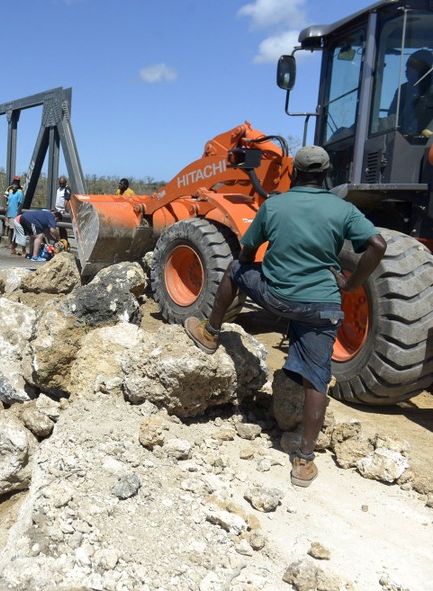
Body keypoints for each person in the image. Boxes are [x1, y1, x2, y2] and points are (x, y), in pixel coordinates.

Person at [183, 146, 386, 489]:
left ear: (293, 173)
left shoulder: (274, 205)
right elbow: (378, 245)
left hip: (276, 298)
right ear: (326, 175)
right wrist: (351, 284)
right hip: (321, 305)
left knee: (233, 269)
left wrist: (252, 263)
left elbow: (247, 252)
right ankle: (304, 461)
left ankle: (210, 332)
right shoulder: (344, 209)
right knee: (317, 379)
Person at [387, 49, 433, 135]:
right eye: (407, 67)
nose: (406, 71)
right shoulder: (403, 90)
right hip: (401, 138)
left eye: (411, 67)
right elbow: (392, 116)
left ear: (424, 68)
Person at [6, 176, 24, 255]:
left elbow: (20, 205)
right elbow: (8, 204)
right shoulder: (10, 193)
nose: (15, 184)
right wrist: (6, 215)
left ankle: (13, 246)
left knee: (14, 230)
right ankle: (11, 244)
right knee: (10, 230)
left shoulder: (20, 193)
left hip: (15, 214)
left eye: (17, 183)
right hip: (9, 214)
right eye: (14, 182)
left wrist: (17, 215)